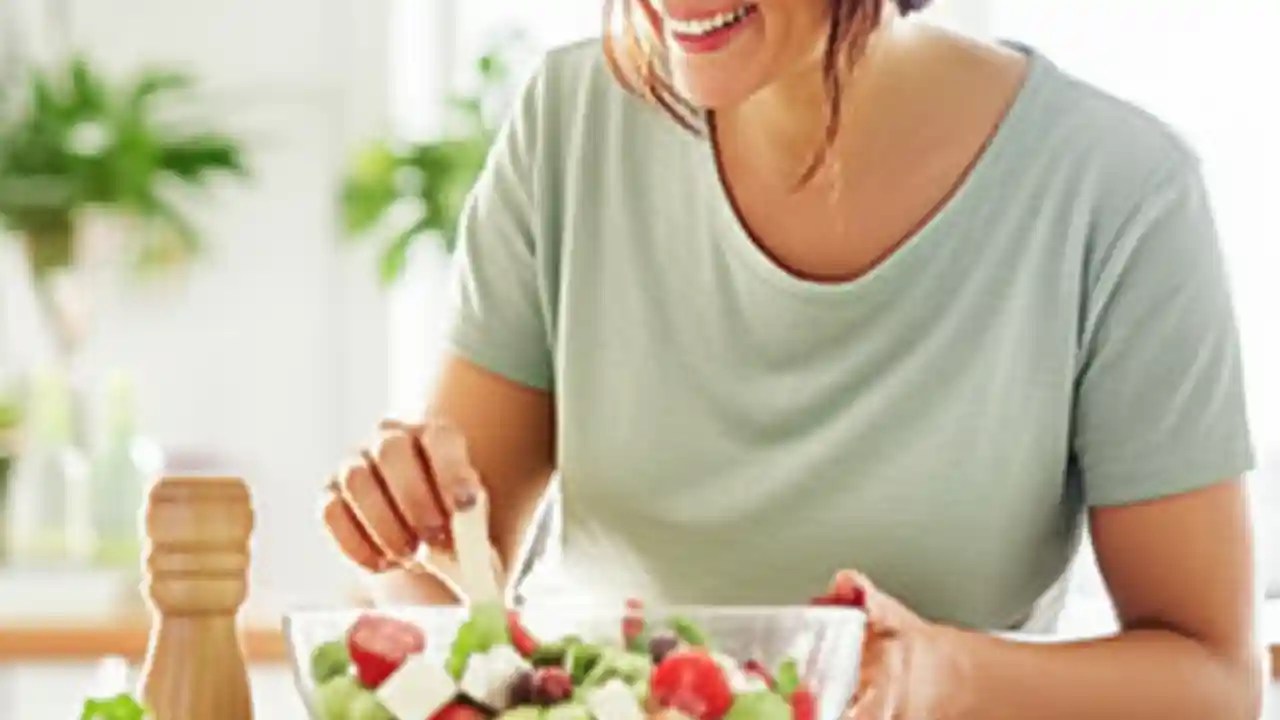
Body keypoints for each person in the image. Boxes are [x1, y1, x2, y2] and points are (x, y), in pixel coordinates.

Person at [321, 0, 1264, 716]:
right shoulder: (570, 122)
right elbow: (442, 581)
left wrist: (940, 672)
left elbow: (1214, 678)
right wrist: (405, 528)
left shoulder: (1116, 191)